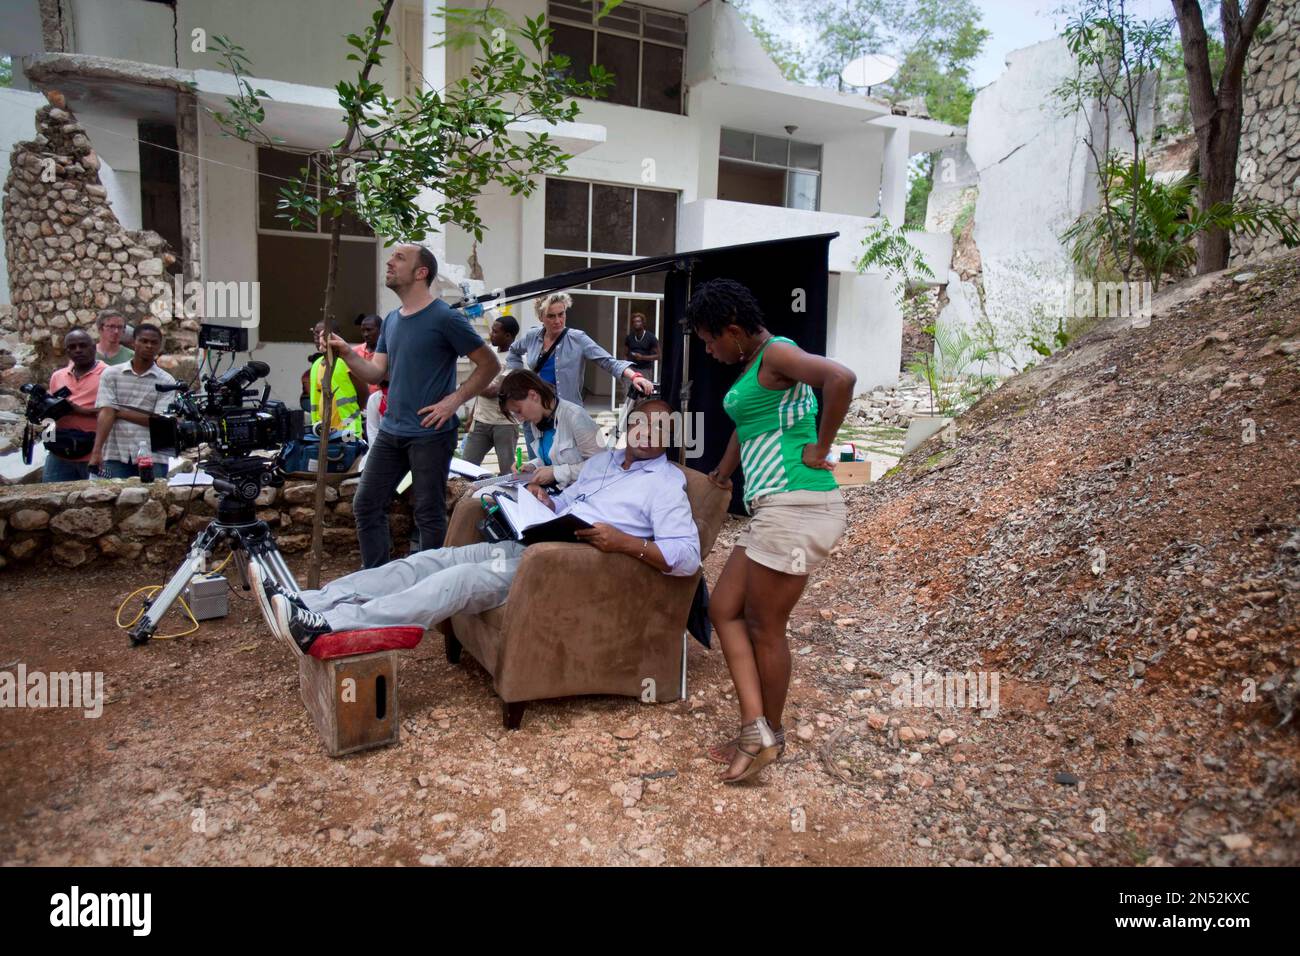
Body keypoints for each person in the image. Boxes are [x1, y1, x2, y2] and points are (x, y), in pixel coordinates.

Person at [250, 397, 700, 653]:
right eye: (640, 424)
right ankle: (311, 599)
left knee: (457, 581)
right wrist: (546, 497)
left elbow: (687, 559)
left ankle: (330, 624)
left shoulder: (665, 483)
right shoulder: (602, 462)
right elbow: (573, 499)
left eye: (657, 428)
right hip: (534, 540)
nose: (646, 434)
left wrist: (622, 542)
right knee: (430, 561)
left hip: (568, 566)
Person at [686, 279, 856, 785]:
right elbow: (748, 423)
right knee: (722, 609)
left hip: (798, 505)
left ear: (734, 331)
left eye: (711, 341)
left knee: (764, 626)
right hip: (775, 510)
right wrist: (722, 472)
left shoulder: (779, 353)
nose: (710, 352)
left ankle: (766, 736)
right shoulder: (756, 369)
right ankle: (756, 729)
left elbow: (841, 378)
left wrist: (820, 448)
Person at [324, 243, 497, 566]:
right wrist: (346, 351)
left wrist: (454, 401)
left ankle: (429, 587)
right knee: (366, 504)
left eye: (399, 258)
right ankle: (376, 578)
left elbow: (489, 365)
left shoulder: (446, 318)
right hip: (392, 431)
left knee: (429, 513)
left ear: (421, 273)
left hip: (431, 434)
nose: (389, 262)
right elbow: (377, 371)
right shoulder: (391, 320)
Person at [507, 292, 654, 408]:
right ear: (540, 317)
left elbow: (608, 362)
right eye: (551, 316)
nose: (558, 321)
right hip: (534, 412)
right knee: (538, 447)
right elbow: (513, 351)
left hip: (566, 414)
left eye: (561, 314)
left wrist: (635, 377)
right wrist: (518, 379)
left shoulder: (577, 338)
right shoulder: (533, 336)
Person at [88, 323, 177, 479]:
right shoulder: (111, 374)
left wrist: (118, 412)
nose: (149, 346)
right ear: (133, 342)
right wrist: (96, 452)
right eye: (144, 341)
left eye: (154, 342)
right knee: (114, 499)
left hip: (153, 456)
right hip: (116, 453)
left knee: (152, 500)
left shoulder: (167, 381)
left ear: (159, 346)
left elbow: (160, 422)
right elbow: (105, 414)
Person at [497, 368, 605, 490]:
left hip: (585, 495)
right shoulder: (537, 421)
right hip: (560, 494)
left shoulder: (575, 416)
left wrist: (556, 473)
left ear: (534, 396)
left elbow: (601, 465)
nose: (520, 419)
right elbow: (551, 460)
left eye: (519, 411)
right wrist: (531, 466)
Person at [42, 328, 107, 482]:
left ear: (93, 347)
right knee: (50, 497)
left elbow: (116, 412)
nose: (78, 350)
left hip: (95, 452)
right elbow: (49, 416)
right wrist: (48, 440)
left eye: (83, 345)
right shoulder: (58, 376)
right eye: (72, 347)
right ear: (67, 351)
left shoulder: (109, 374)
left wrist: (80, 411)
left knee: (98, 500)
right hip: (60, 452)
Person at [460, 314, 521, 473]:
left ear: (508, 336)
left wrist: (467, 385)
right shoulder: (489, 354)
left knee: (507, 474)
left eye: (495, 332)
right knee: (465, 470)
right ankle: (464, 498)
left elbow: (495, 391)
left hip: (505, 426)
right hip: (481, 422)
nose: (491, 335)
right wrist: (472, 416)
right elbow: (481, 391)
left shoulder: (516, 360)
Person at [308, 320, 367, 439]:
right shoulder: (316, 365)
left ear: (335, 336)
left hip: (347, 430)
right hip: (324, 432)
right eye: (315, 334)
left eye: (322, 334)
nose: (318, 338)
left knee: (348, 455)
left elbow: (363, 394)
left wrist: (345, 424)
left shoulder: (345, 362)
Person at [624, 311, 660, 393]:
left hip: (645, 370)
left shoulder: (650, 337)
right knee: (629, 392)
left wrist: (642, 357)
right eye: (634, 322)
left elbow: (658, 355)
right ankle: (630, 406)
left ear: (643, 323)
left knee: (643, 393)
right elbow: (625, 354)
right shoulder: (629, 337)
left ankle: (642, 406)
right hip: (632, 369)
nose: (636, 323)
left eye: (638, 321)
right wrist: (626, 367)